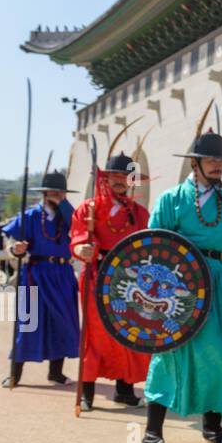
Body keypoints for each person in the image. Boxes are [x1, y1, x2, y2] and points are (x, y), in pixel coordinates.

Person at [141, 116, 222, 443]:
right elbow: (154, 246)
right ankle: (153, 430)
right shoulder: (171, 200)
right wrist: (160, 288)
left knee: (216, 354)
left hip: (218, 285)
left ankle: (212, 427)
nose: (218, 165)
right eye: (212, 159)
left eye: (221, 160)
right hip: (177, 288)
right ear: (194, 163)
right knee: (168, 355)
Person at [70, 152, 151, 410]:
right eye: (114, 176)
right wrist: (81, 248)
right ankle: (87, 392)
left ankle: (124, 390)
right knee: (94, 335)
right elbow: (78, 238)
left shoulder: (139, 213)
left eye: (125, 176)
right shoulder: (89, 208)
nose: (119, 181)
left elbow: (146, 246)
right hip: (97, 276)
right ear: (105, 178)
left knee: (127, 331)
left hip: (129, 282)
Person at [1, 171, 80, 388]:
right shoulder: (30, 216)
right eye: (52, 192)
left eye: (60, 192)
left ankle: (56, 372)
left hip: (62, 274)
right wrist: (15, 249)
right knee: (28, 322)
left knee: (62, 322)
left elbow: (80, 228)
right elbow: (11, 242)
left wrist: (63, 205)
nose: (56, 196)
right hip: (35, 273)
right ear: (44, 193)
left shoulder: (69, 215)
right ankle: (15, 373)